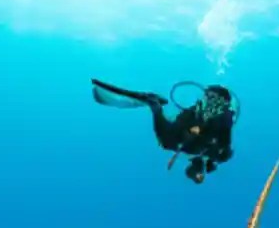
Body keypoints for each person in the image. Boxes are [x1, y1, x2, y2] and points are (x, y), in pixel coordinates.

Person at [91, 78, 237, 184]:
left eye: (214, 98)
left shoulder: (224, 118)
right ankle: (154, 104)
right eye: (208, 96)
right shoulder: (197, 111)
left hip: (193, 144)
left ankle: (155, 106)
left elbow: (223, 135)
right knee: (169, 139)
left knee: (167, 142)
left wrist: (203, 166)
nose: (209, 101)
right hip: (182, 135)